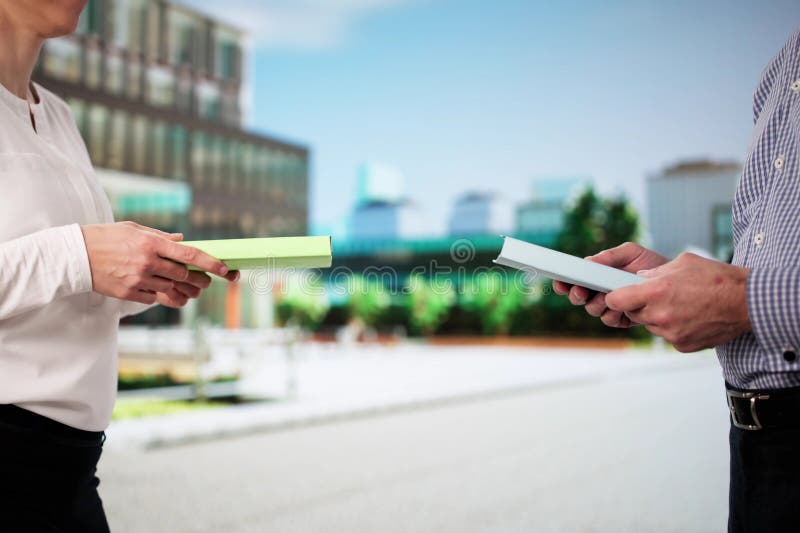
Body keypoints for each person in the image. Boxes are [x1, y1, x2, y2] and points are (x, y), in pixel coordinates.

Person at [0, 1, 239, 531]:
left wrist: (149, 277)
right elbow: (72, 259)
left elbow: (69, 289)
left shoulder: (58, 116)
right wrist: (81, 254)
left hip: (72, 473)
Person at [554, 25, 800, 533]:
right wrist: (669, 283)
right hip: (756, 450)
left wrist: (739, 300)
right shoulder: (780, 72)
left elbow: (743, 294)